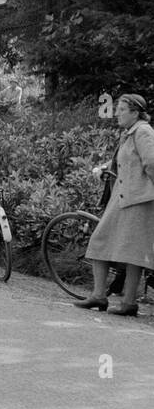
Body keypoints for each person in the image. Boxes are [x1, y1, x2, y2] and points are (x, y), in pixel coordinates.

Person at [77, 94, 154, 316]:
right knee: (113, 246)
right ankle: (103, 297)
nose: (116, 113)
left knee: (127, 249)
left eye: (121, 109)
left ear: (135, 112)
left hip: (138, 199)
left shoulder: (143, 132)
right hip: (124, 197)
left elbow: (151, 163)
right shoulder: (131, 134)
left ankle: (120, 301)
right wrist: (104, 169)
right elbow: (127, 162)